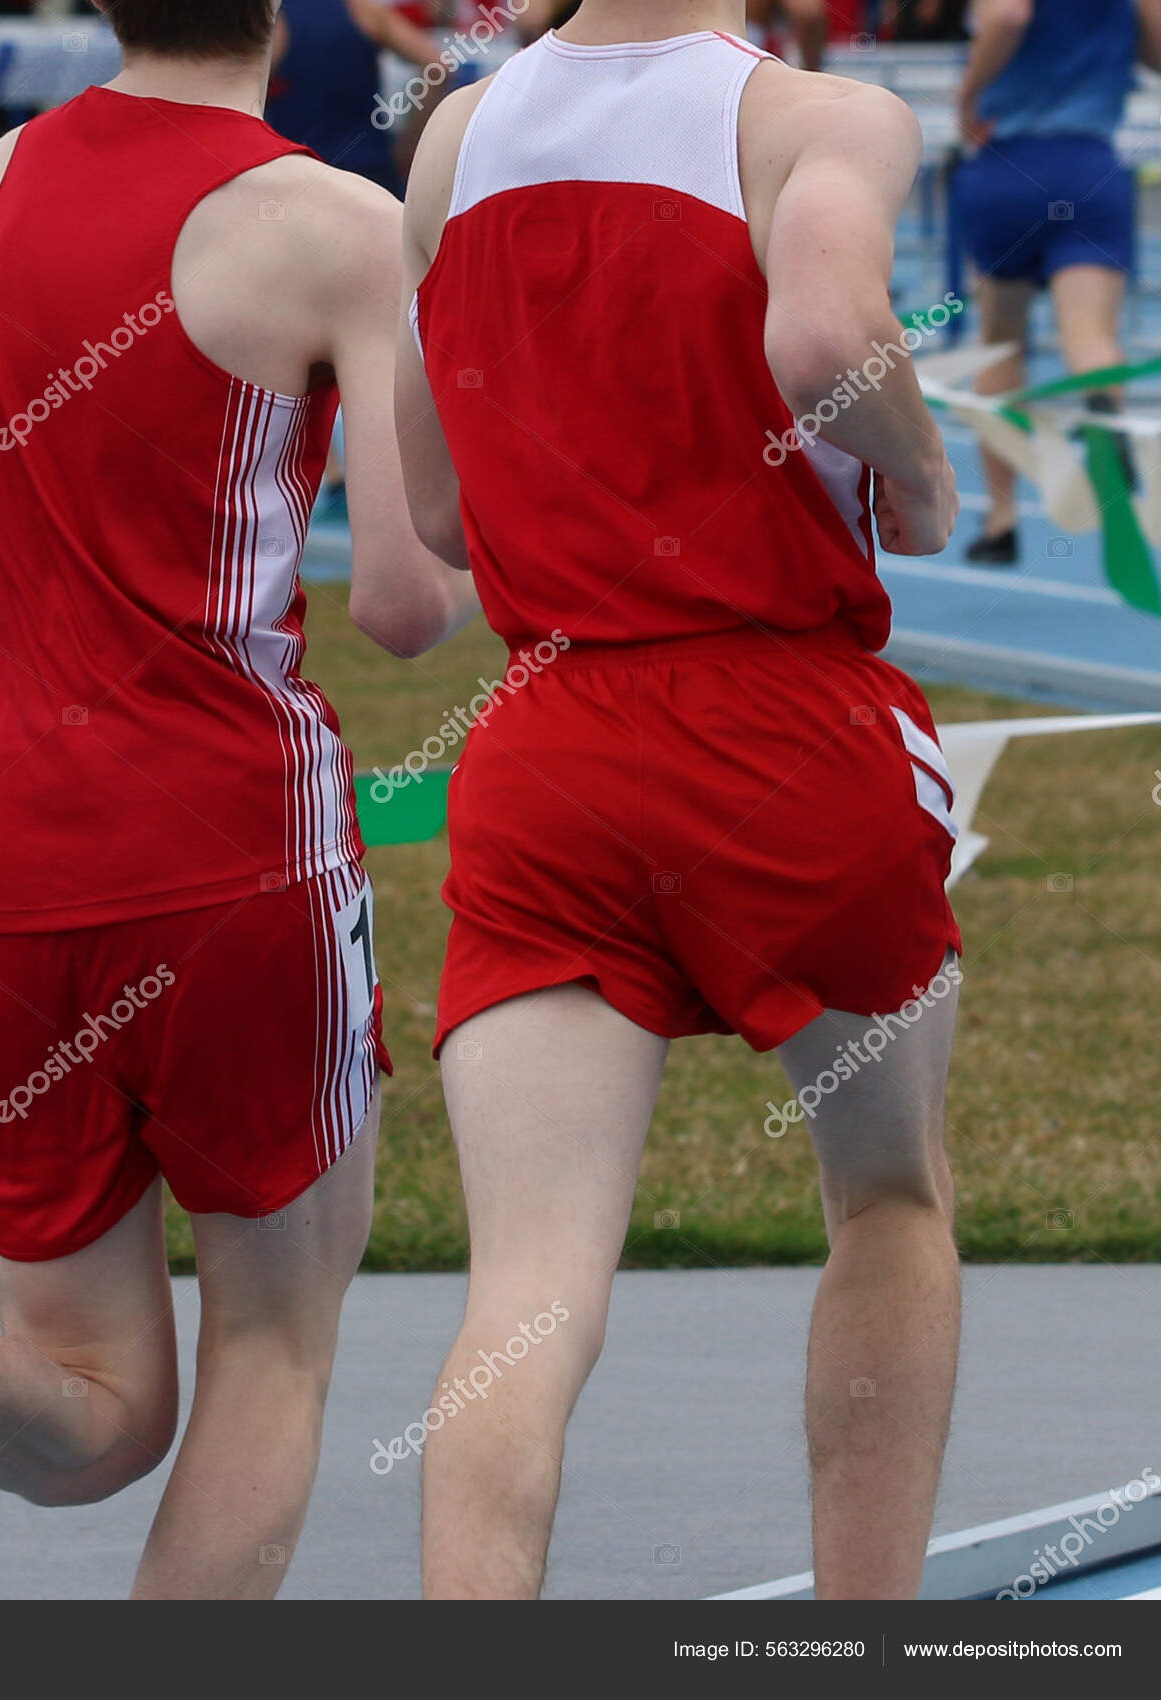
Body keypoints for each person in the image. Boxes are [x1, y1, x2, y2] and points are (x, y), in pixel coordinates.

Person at [0, 0, 473, 1601]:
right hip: (236, 849)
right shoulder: (339, 223)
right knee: (275, 1352)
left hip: (8, 865)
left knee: (102, 1405)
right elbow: (409, 604)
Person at [399, 0, 961, 1598]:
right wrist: (920, 482)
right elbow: (825, 340)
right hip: (789, 726)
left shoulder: (454, 141)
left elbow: (434, 512)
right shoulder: (816, 121)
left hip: (551, 738)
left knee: (527, 1291)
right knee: (890, 1201)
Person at [955, 0, 1152, 565]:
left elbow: (1008, 16)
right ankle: (1102, 409)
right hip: (1090, 165)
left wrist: (968, 96)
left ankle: (1001, 522)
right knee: (1091, 337)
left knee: (1000, 346)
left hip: (1009, 162)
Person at [267, 0, 444, 196]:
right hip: (369, 171)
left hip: (300, 173)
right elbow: (437, 66)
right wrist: (411, 141)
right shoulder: (361, 9)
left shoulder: (271, 18)